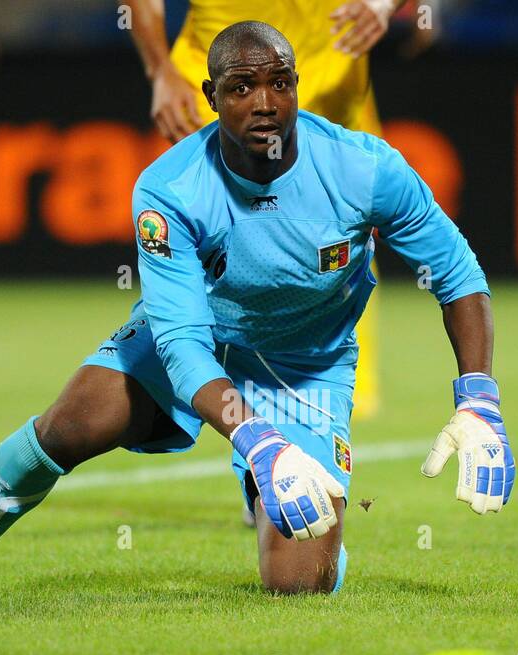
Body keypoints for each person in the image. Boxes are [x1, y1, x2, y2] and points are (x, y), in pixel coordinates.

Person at [0, 20, 512, 600]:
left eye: (279, 83)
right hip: (202, 340)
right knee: (70, 423)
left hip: (305, 368)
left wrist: (478, 398)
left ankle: (311, 524)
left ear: (297, 87)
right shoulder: (169, 190)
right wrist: (257, 438)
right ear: (211, 97)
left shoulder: (363, 168)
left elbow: (456, 272)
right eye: (241, 87)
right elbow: (180, 343)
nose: (264, 102)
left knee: (298, 584)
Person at [128, 0, 410, 426]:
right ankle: (185, 377)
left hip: (335, 74)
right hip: (225, 86)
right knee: (208, 239)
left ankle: (323, 386)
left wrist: (384, 6)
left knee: (347, 235)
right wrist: (159, 71)